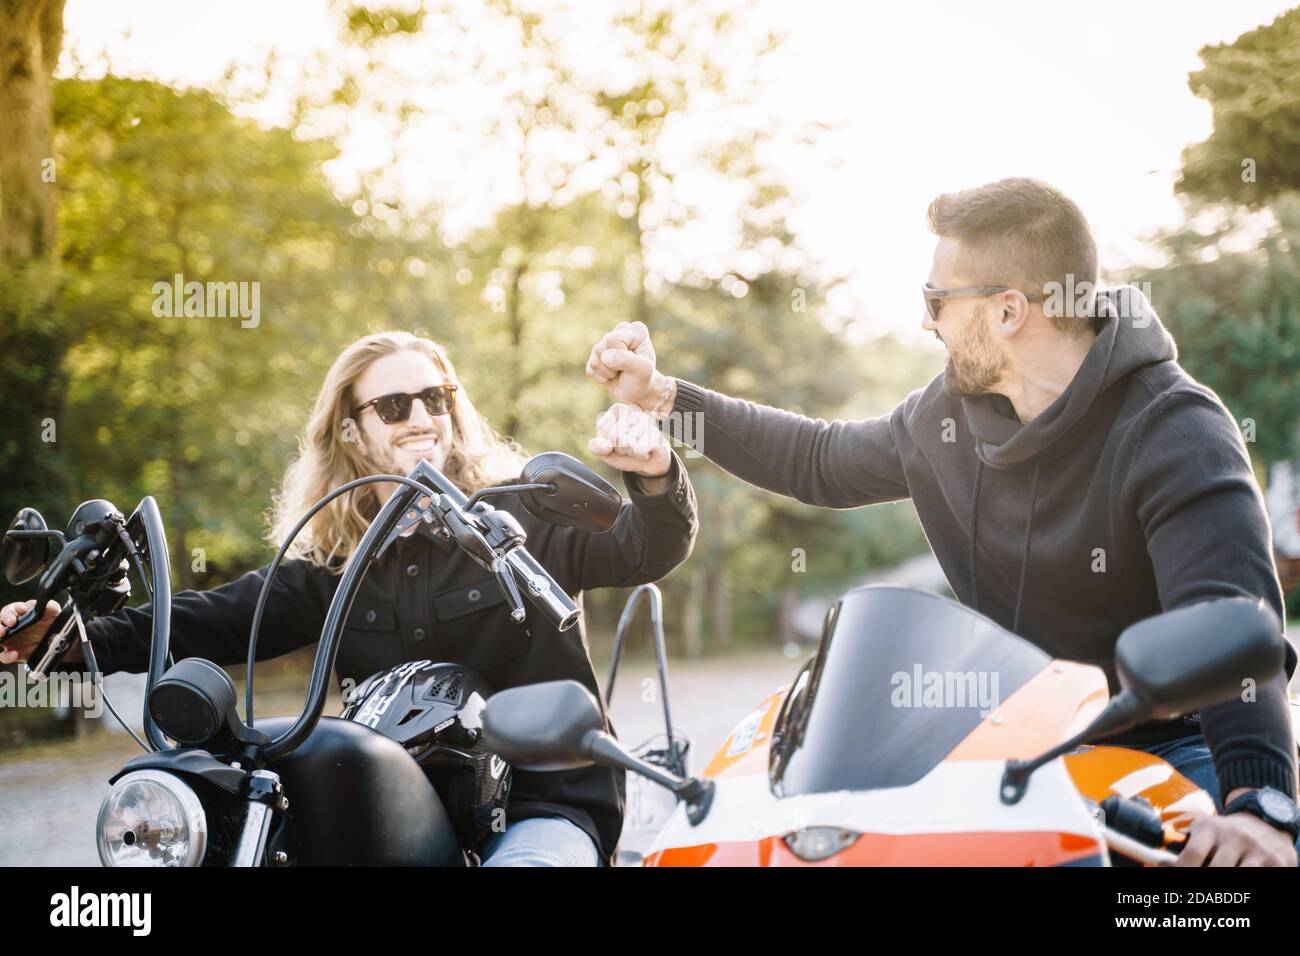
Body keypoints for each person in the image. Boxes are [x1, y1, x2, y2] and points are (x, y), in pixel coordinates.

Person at [587, 177, 1299, 867]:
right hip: (1010, 743)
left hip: (1167, 745)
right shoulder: (948, 419)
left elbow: (1233, 625)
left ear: (1008, 311)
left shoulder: (1176, 430)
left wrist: (1260, 805)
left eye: (936, 300)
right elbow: (817, 459)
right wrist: (662, 397)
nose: (927, 321)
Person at [1, 330, 698, 867]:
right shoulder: (337, 559)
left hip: (541, 803)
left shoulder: (520, 517)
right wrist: (69, 640)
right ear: (351, 432)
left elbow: (646, 546)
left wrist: (657, 472)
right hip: (389, 812)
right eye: (394, 405)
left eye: (437, 398)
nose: (421, 415)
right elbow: (218, 617)